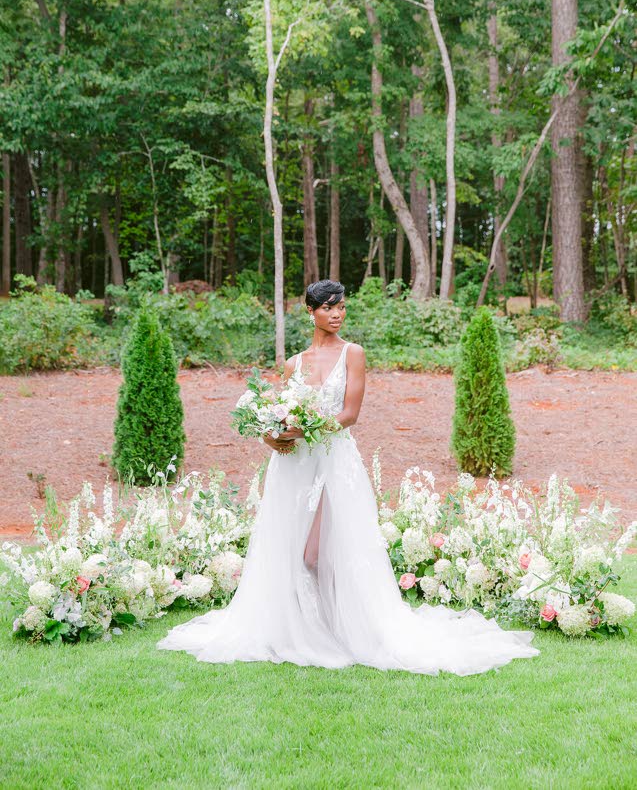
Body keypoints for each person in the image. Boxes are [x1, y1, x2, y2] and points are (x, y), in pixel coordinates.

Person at [157, 279, 540, 675]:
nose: (337, 314)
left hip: (333, 461)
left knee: (321, 551)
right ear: (311, 312)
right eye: (328, 307)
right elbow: (278, 414)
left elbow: (349, 415)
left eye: (341, 307)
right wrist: (272, 437)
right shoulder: (294, 364)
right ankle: (299, 628)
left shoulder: (352, 354)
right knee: (288, 547)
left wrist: (303, 430)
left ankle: (344, 630)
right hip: (294, 466)